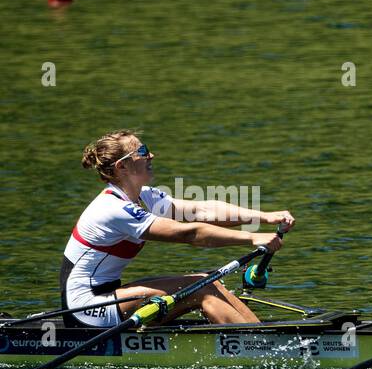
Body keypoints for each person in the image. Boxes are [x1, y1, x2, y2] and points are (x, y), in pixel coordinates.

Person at [65, 130, 294, 327]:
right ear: (122, 166)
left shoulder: (144, 197)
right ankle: (257, 347)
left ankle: (259, 335)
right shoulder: (113, 208)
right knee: (199, 286)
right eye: (142, 151)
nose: (151, 155)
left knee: (207, 281)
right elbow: (190, 234)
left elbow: (201, 212)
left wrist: (265, 216)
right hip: (86, 309)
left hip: (109, 297)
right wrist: (252, 239)